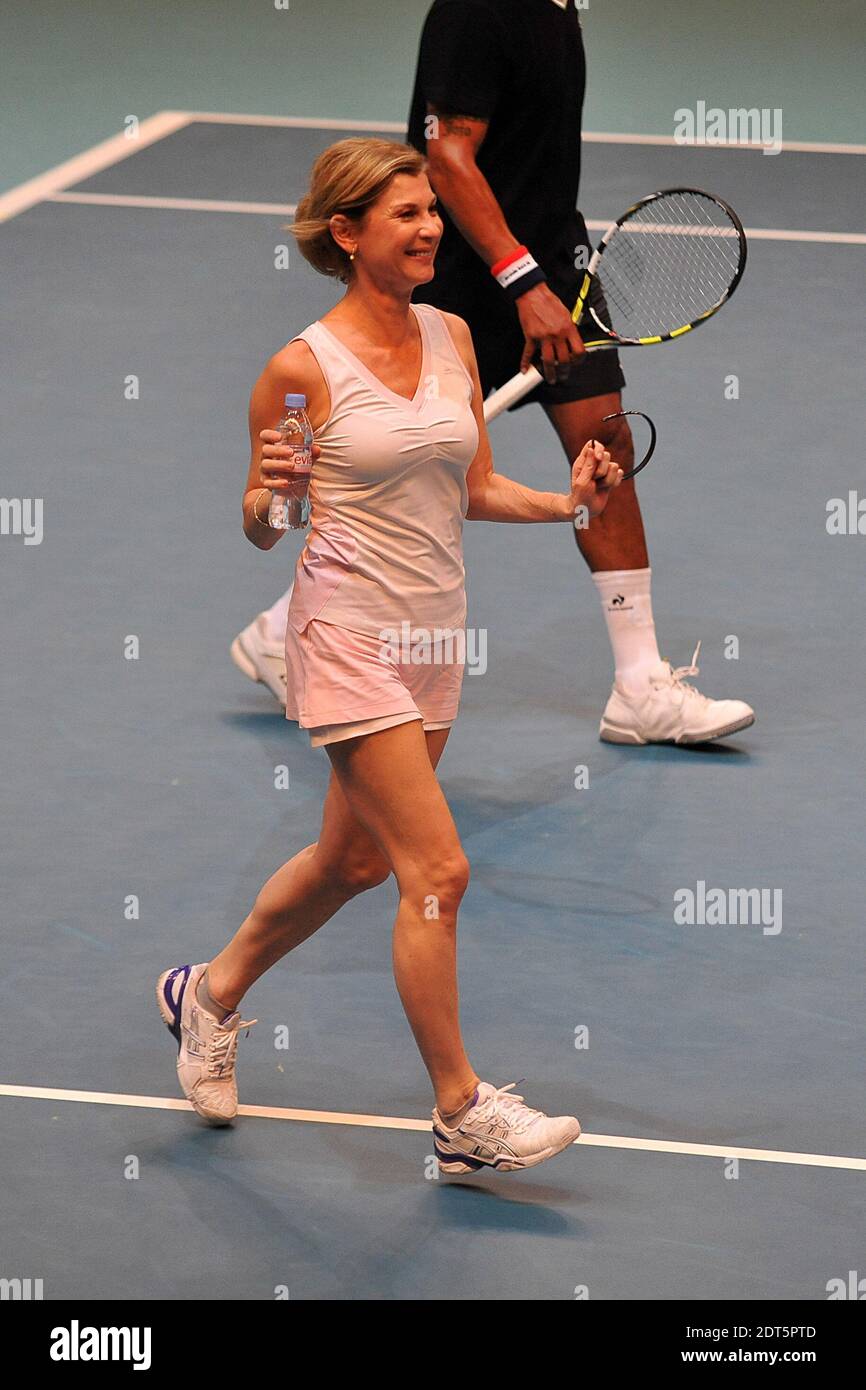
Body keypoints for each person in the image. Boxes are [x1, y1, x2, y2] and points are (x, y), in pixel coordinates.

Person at [158, 137, 624, 1174]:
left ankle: (209, 992)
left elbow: (470, 487)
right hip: (346, 634)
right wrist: (278, 489)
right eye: (406, 214)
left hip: (431, 639)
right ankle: (460, 1115)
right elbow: (261, 519)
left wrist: (565, 504)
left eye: (429, 210)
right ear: (346, 233)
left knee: (355, 859)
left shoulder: (455, 334)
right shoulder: (298, 369)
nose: (428, 228)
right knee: (434, 872)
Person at [232, 0, 754, 746]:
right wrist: (521, 282)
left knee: (604, 444)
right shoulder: (476, 12)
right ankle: (289, 629)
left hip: (554, 256)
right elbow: (445, 156)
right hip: (471, 268)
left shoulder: (559, 9)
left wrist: (543, 271)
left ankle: (640, 685)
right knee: (410, 467)